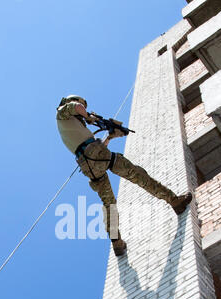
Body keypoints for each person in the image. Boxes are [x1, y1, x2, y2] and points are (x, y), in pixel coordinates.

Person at [56, 95, 192, 256]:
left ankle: (117, 242)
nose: (82, 109)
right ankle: (174, 201)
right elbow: (77, 107)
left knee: (109, 204)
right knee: (137, 174)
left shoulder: (73, 127)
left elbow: (97, 150)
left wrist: (110, 136)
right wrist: (89, 116)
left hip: (90, 165)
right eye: (82, 105)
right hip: (96, 155)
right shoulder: (62, 113)